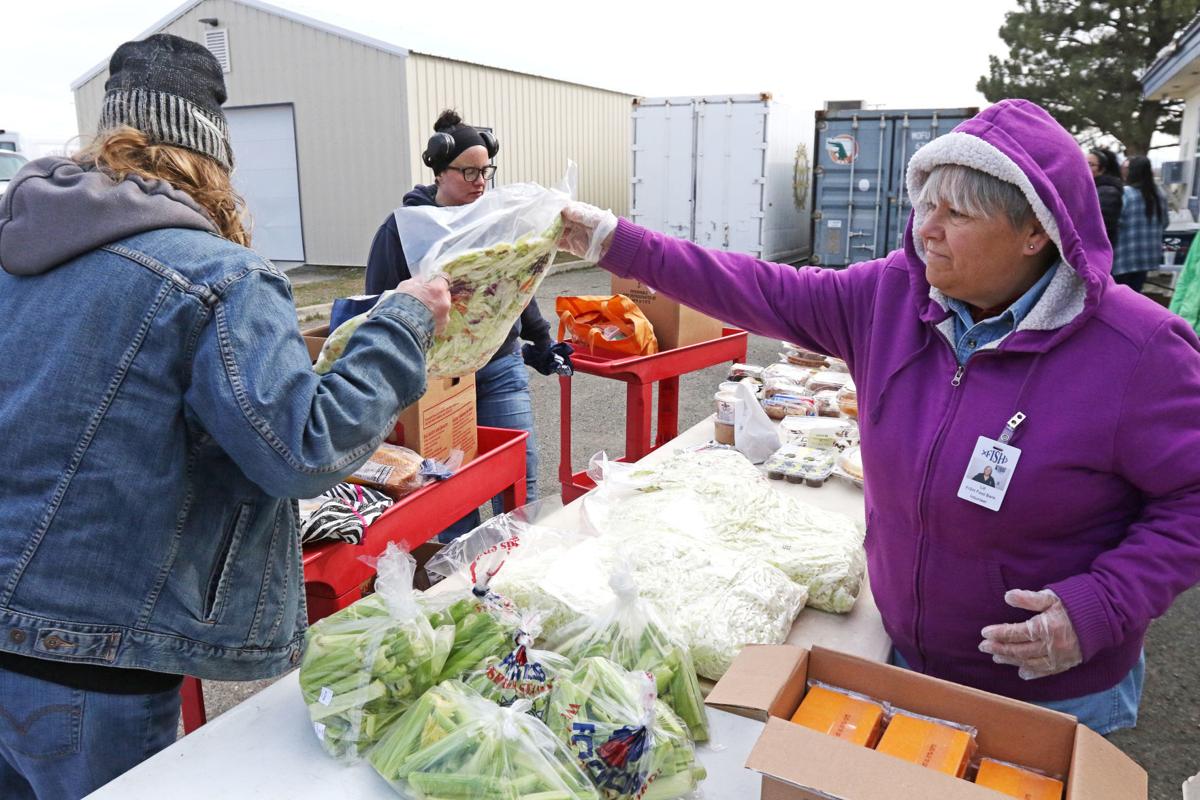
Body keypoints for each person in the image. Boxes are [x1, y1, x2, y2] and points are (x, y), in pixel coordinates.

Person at [559, 99, 1200, 735]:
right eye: (926, 206)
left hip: (1051, 695)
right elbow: (753, 286)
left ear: (1038, 232)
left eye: (958, 214)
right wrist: (613, 241)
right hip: (906, 660)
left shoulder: (1140, 352)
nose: (927, 230)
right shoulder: (890, 295)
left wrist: (1101, 607)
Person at [0, 35, 449, 797]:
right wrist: (402, 323)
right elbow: (303, 450)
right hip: (96, 665)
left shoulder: (18, 255)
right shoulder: (216, 275)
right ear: (211, 158)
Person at [365, 110, 570, 539]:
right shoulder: (403, 230)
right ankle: (460, 580)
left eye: (486, 172)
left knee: (519, 475)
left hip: (499, 369)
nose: (480, 181)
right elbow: (378, 304)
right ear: (440, 172)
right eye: (469, 172)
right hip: (438, 380)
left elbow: (514, 288)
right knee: (450, 489)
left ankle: (514, 566)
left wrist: (541, 341)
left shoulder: (493, 220)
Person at [1112, 155, 1169, 293]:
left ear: (1132, 172)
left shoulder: (1125, 194)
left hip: (1123, 258)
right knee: (1135, 296)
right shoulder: (1159, 194)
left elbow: (1114, 225)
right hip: (1146, 257)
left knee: (1118, 299)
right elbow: (1165, 223)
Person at [1086, 147, 1124, 249]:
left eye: (1090, 164)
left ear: (1102, 169)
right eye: (1083, 163)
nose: (1085, 167)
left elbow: (1100, 227)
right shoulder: (1089, 188)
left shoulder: (1107, 192)